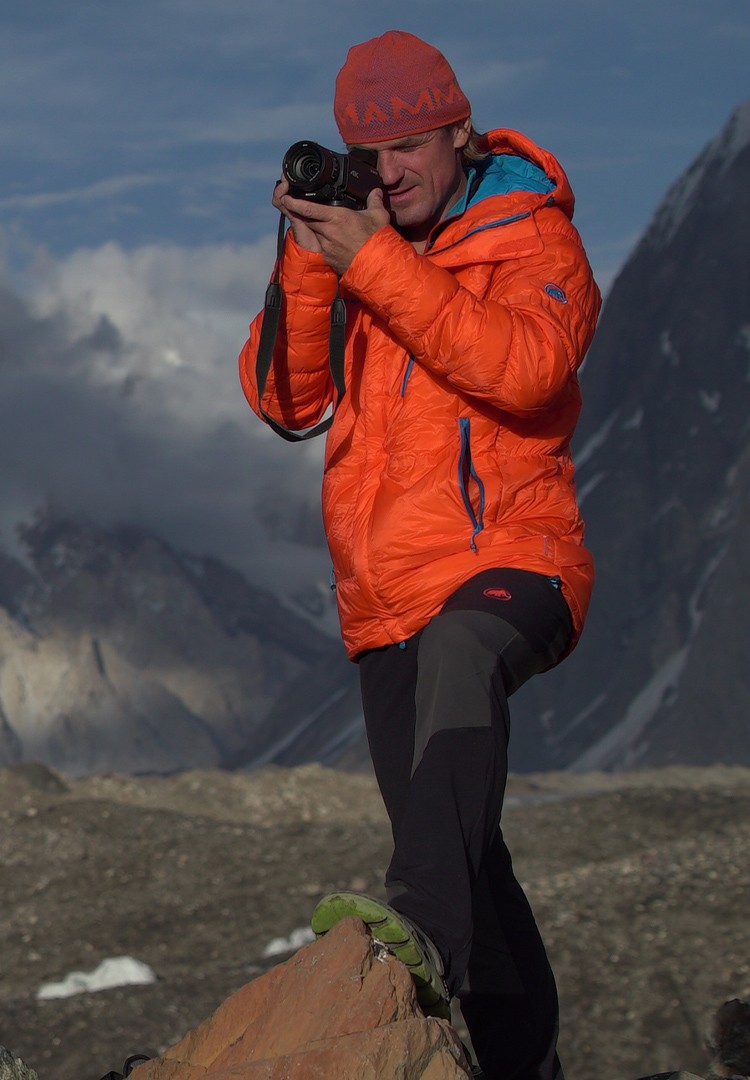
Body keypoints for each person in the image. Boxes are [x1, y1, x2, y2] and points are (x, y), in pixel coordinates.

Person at [237, 30, 600, 1080]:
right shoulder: (364, 252)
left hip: (516, 558)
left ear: (460, 131)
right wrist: (312, 262)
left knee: (460, 663)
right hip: (386, 598)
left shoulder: (533, 236)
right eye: (369, 154)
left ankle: (416, 937)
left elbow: (527, 370)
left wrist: (376, 263)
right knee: (468, 860)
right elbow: (286, 401)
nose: (388, 173)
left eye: (408, 147)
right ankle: (524, 1065)